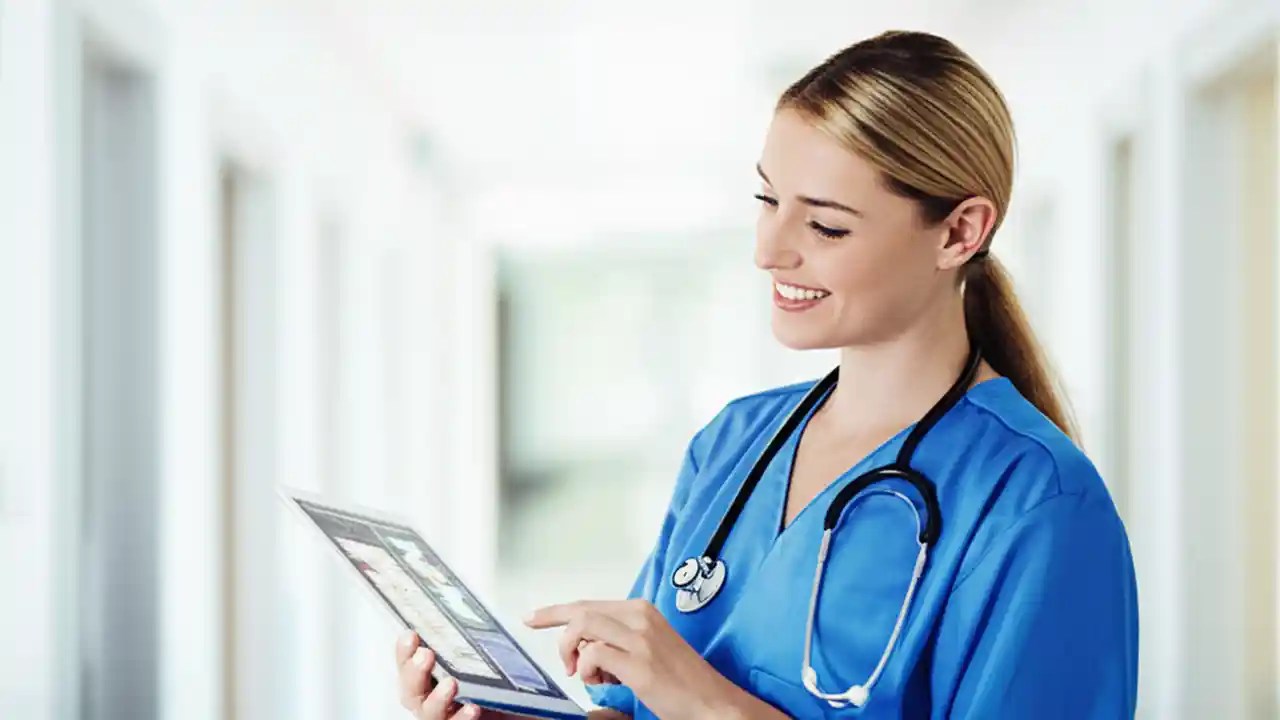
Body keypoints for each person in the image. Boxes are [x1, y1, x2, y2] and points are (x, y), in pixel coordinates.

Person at [394, 29, 1138, 719]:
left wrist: (703, 698)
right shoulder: (735, 443)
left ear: (959, 231)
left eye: (825, 225)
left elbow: (685, 698)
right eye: (768, 200)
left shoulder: (1038, 506)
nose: (770, 250)